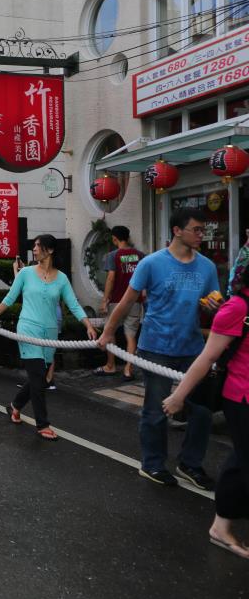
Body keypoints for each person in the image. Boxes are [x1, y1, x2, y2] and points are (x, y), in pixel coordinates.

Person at [98, 208, 221, 489]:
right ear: (177, 231)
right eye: (197, 230)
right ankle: (152, 463)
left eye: (203, 230)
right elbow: (128, 300)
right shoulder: (151, 263)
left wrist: (214, 308)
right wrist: (108, 332)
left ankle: (190, 464)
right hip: (156, 348)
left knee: (201, 411)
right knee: (156, 410)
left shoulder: (207, 267)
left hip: (192, 350)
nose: (202, 235)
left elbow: (213, 305)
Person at [163, 263, 249, 559]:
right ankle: (221, 527)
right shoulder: (237, 308)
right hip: (242, 397)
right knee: (243, 461)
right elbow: (206, 358)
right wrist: (179, 396)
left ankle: (221, 527)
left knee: (241, 459)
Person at [0, 235, 98, 441]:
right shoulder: (25, 273)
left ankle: (14, 406)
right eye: (35, 246)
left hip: (50, 333)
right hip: (27, 329)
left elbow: (73, 304)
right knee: (38, 376)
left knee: (41, 378)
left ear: (50, 250)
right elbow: (9, 298)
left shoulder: (61, 278)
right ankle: (43, 424)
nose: (35, 249)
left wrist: (88, 325)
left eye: (38, 246)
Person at [95, 225, 145, 380]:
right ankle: (128, 369)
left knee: (109, 332)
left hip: (117, 301)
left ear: (114, 239)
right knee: (131, 335)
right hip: (135, 302)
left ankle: (111, 365)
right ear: (128, 238)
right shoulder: (140, 255)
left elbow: (111, 278)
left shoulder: (113, 256)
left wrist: (104, 300)